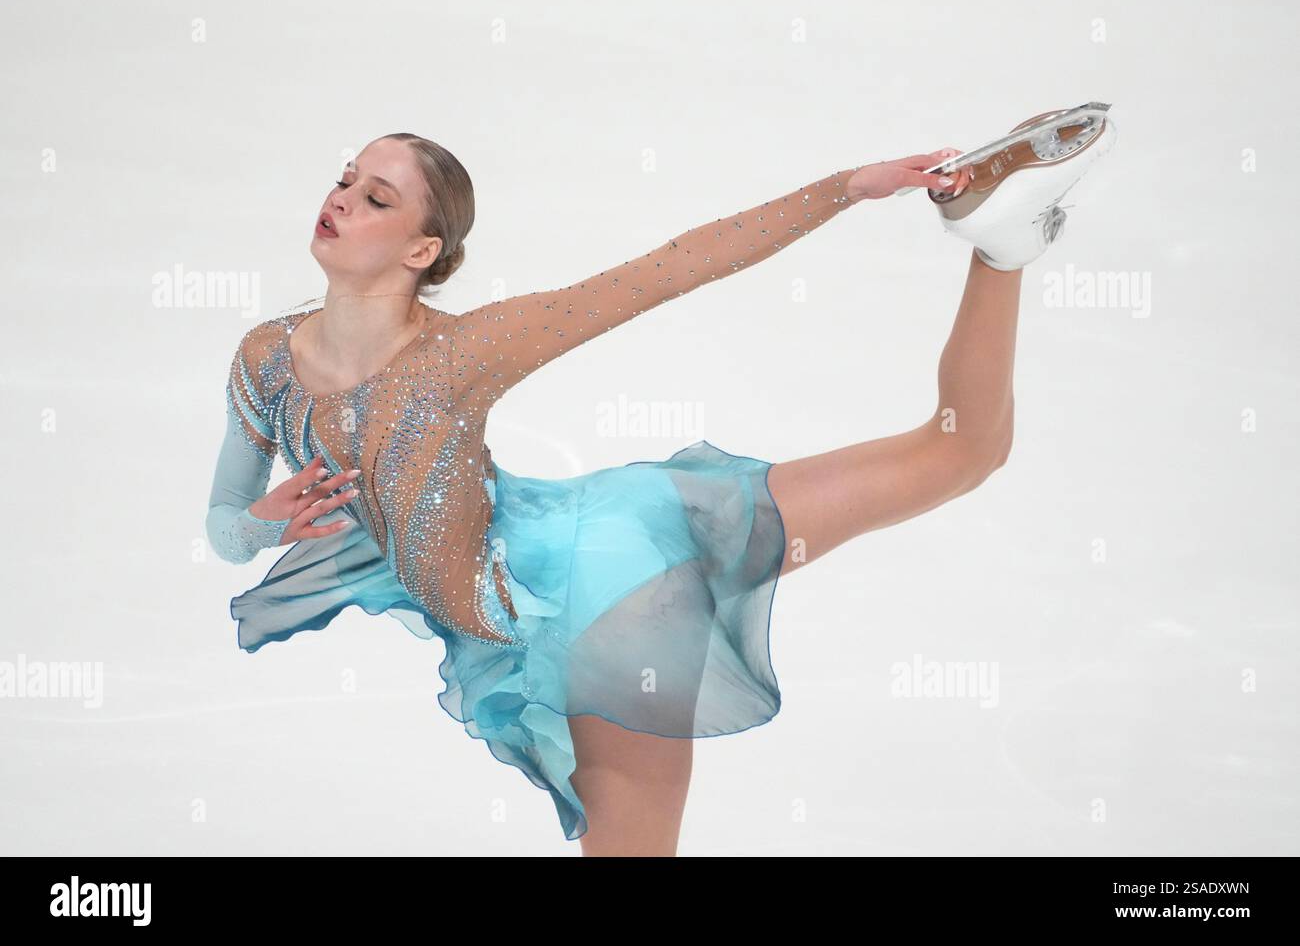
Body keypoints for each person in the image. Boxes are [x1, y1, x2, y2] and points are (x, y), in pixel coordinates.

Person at [206, 117, 1114, 856]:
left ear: (421, 250)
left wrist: (845, 187)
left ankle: (999, 247)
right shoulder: (265, 363)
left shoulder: (460, 355)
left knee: (959, 454)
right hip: (526, 576)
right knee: (960, 456)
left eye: (377, 197)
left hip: (612, 594)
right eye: (345, 179)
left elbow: (670, 269)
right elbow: (223, 528)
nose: (341, 201)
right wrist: (258, 524)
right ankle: (1006, 246)